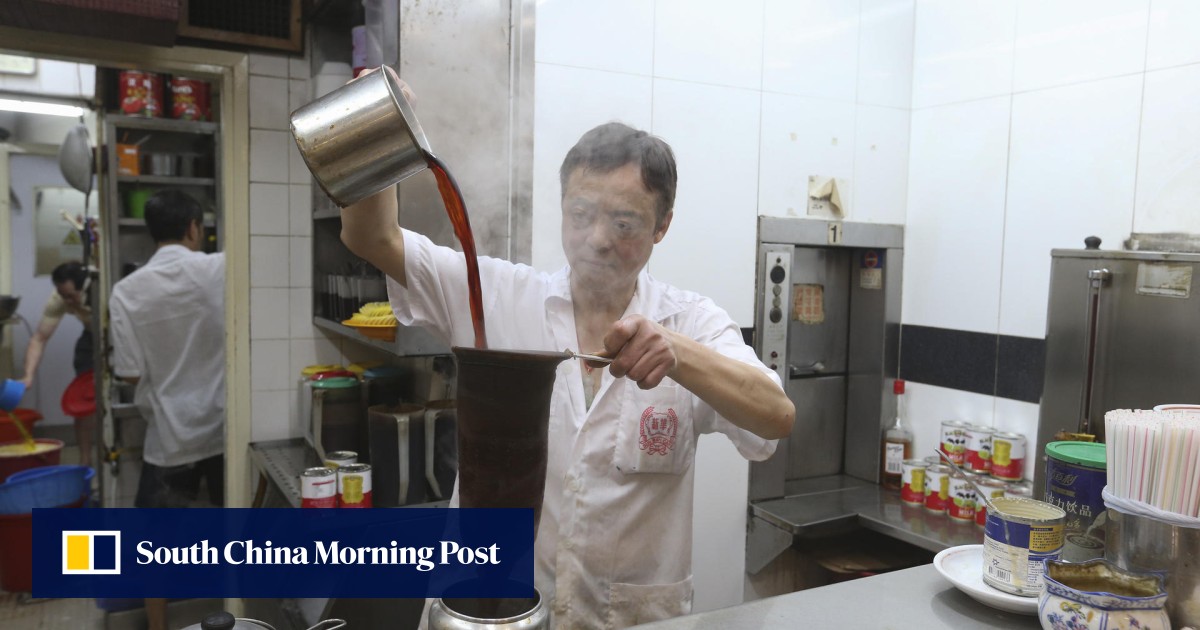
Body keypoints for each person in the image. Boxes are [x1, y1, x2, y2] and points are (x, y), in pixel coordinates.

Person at [341, 120, 795, 628]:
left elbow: (775, 416)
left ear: (662, 226)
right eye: (580, 214)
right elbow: (370, 236)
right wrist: (376, 129)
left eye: (624, 223)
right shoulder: (501, 295)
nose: (596, 240)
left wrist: (679, 354)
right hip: (489, 615)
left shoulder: (690, 322)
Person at [108, 189, 225, 630]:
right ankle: (238, 615)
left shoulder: (126, 292)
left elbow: (130, 373)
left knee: (154, 547)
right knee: (237, 535)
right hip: (223, 429)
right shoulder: (220, 269)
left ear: (151, 232)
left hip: (169, 438)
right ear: (194, 228)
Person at [20, 261, 95, 467]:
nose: (67, 301)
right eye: (63, 296)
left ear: (85, 286)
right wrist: (28, 375)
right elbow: (39, 338)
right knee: (83, 403)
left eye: (71, 296)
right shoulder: (59, 298)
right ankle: (85, 461)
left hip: (120, 336)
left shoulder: (104, 287)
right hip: (90, 338)